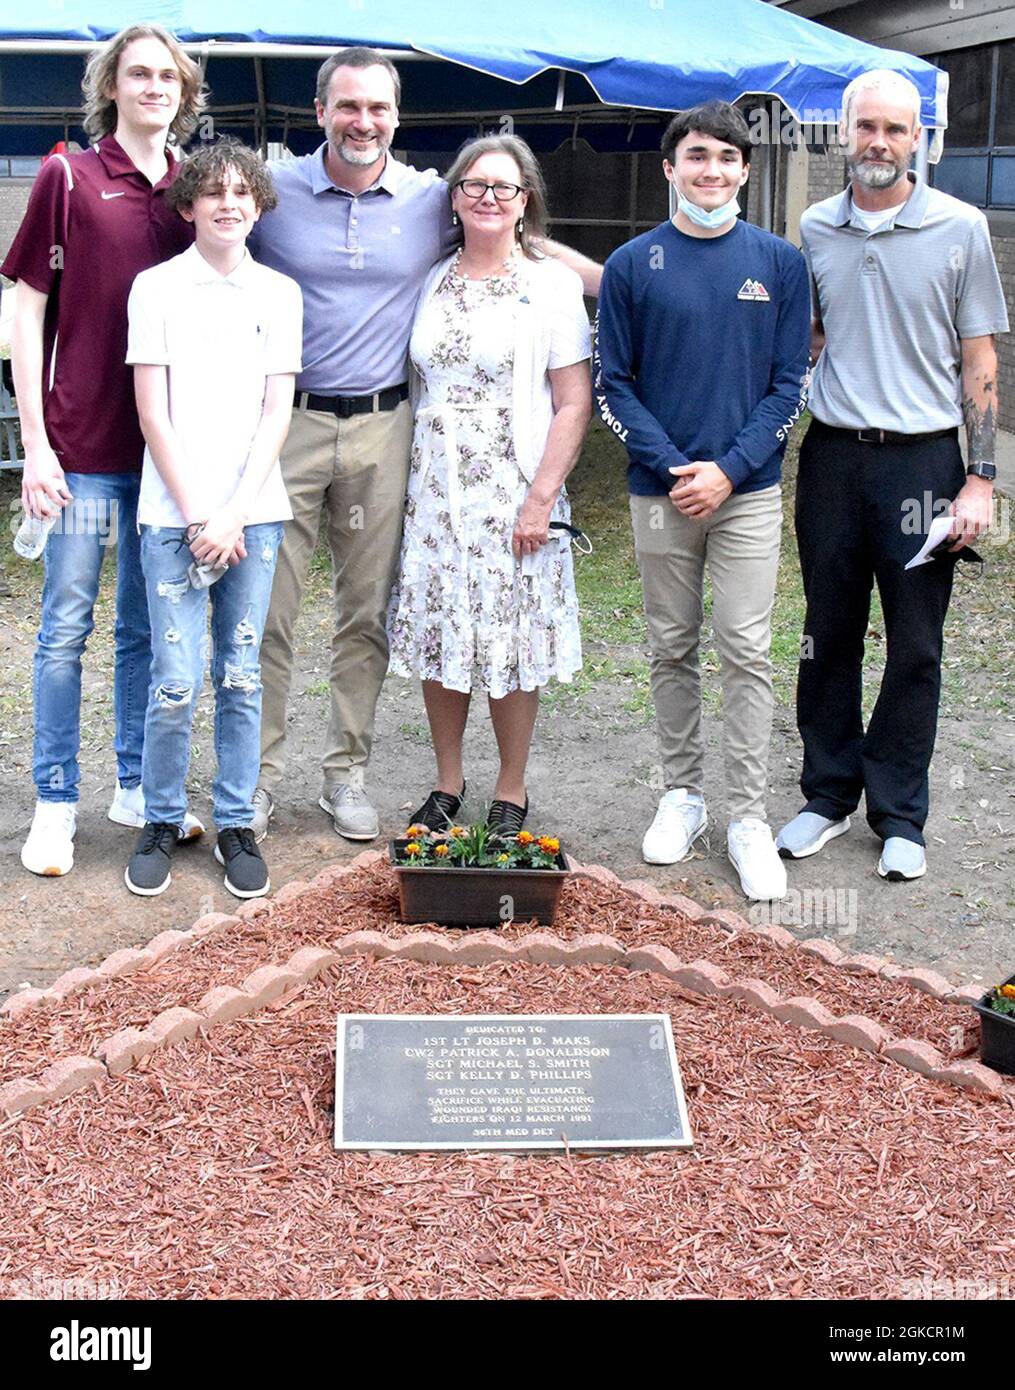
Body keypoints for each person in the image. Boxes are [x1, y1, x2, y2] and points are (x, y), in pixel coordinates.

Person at [247, 47, 602, 844]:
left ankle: (372, 779)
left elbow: (565, 359)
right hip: (348, 448)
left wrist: (640, 276)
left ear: (397, 118)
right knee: (284, 617)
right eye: (347, 106)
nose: (362, 121)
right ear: (320, 111)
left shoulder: (468, 233)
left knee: (383, 620)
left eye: (377, 108)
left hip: (438, 456)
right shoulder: (297, 201)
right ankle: (260, 783)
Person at [776, 70, 1008, 882]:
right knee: (825, 632)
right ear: (844, 133)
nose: (879, 142)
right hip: (834, 455)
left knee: (915, 645)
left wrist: (979, 480)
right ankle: (826, 794)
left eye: (896, 129)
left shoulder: (961, 227)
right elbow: (806, 336)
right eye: (865, 126)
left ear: (920, 140)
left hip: (923, 462)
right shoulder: (813, 227)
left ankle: (900, 813)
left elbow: (979, 357)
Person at [2, 24, 205, 876]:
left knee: (144, 633)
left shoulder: (198, 189)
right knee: (63, 628)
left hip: (168, 458)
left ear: (185, 92)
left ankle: (132, 783)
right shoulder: (67, 175)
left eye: (169, 76)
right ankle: (54, 801)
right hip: (82, 447)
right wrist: (37, 447)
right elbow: (22, 310)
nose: (154, 86)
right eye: (139, 74)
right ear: (111, 86)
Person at [596, 101, 810, 902]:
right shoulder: (630, 265)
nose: (710, 170)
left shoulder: (778, 263)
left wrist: (728, 468)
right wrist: (676, 466)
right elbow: (613, 384)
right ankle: (681, 795)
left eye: (725, 157)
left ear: (745, 170)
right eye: (695, 156)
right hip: (660, 492)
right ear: (668, 167)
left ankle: (748, 816)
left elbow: (789, 385)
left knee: (746, 649)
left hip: (747, 492)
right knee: (669, 645)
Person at [386, 135, 591, 834]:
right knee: (442, 635)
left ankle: (510, 790)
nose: (487, 198)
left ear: (524, 201)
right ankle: (447, 782)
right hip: (436, 495)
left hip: (513, 489)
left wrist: (541, 497)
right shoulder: (432, 278)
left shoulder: (550, 285)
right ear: (454, 197)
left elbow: (572, 401)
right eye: (474, 185)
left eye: (503, 187)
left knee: (512, 640)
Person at [123, 139, 302, 899]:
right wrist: (200, 514)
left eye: (243, 191)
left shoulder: (279, 293)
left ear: (259, 204)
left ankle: (235, 821)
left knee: (238, 673)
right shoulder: (155, 288)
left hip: (253, 517)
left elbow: (276, 410)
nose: (229, 202)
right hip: (172, 519)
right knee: (174, 680)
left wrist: (234, 512)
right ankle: (161, 816)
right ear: (189, 204)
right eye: (213, 191)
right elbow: (152, 413)